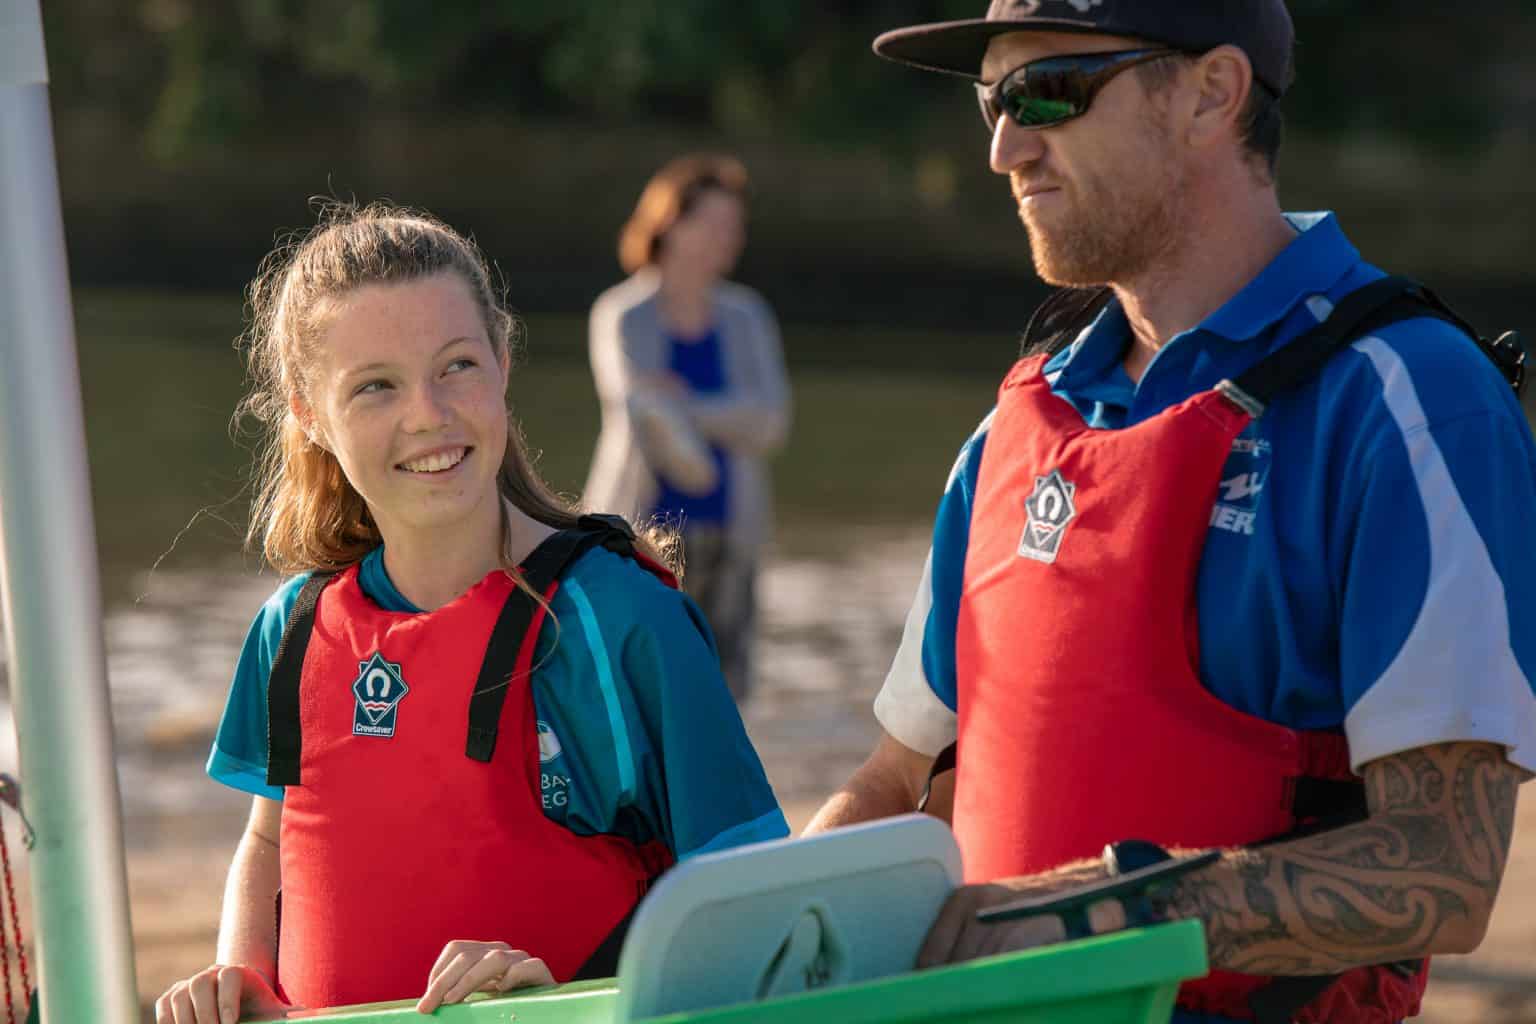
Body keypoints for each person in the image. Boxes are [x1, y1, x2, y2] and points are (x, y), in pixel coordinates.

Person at [805, 3, 1535, 1022]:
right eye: (990, 102)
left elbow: (1447, 868)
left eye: (1045, 91)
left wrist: (1094, 911)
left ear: (1212, 93)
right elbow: (897, 788)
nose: (1006, 148)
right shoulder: (1019, 423)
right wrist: (731, 950)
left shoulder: (1413, 402)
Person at [153, 203, 788, 1024]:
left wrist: (559, 994)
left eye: (456, 366)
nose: (428, 414)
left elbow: (757, 909)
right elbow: (271, 841)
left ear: (503, 363)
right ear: (309, 415)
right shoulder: (295, 630)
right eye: (376, 385)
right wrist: (238, 973)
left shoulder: (618, 616)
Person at [583, 154, 791, 703]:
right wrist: (716, 412)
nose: (729, 238)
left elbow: (770, 422)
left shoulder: (748, 316)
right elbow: (640, 410)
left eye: (736, 226)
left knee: (724, 695)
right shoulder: (622, 313)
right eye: (715, 224)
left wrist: (687, 404)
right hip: (639, 538)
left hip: (733, 533)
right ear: (670, 222)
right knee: (636, 692)